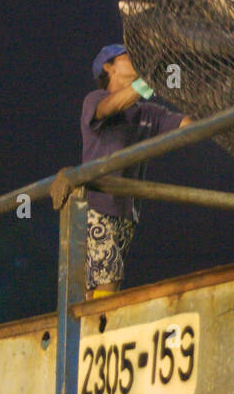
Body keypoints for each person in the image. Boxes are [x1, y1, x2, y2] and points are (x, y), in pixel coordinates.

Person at [80, 44, 192, 298]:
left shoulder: (146, 112)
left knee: (101, 284)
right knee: (108, 281)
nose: (136, 59)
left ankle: (86, 333)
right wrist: (149, 81)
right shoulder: (95, 99)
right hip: (97, 207)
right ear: (108, 67)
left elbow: (187, 126)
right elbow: (111, 107)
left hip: (127, 213)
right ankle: (97, 334)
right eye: (127, 56)